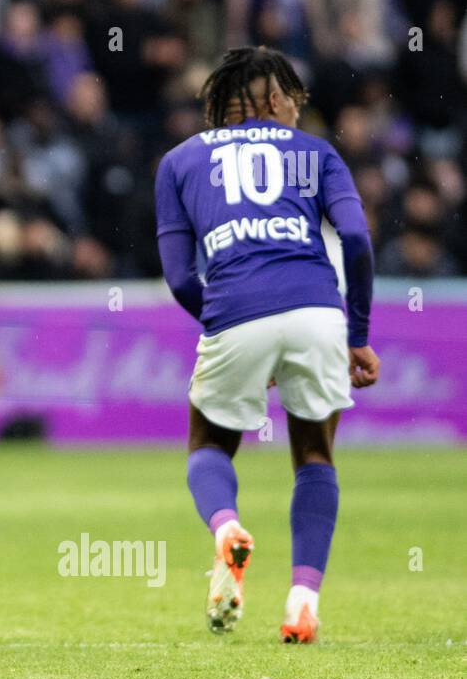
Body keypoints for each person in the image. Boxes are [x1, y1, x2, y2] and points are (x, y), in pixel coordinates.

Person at [154, 47, 379, 643]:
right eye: (296, 102)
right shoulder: (317, 153)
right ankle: (303, 602)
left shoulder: (178, 161)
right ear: (278, 100)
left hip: (234, 310)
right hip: (317, 311)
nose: (298, 113)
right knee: (314, 455)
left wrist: (229, 318)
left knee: (208, 446)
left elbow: (179, 277)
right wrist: (357, 335)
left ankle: (227, 528)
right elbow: (356, 239)